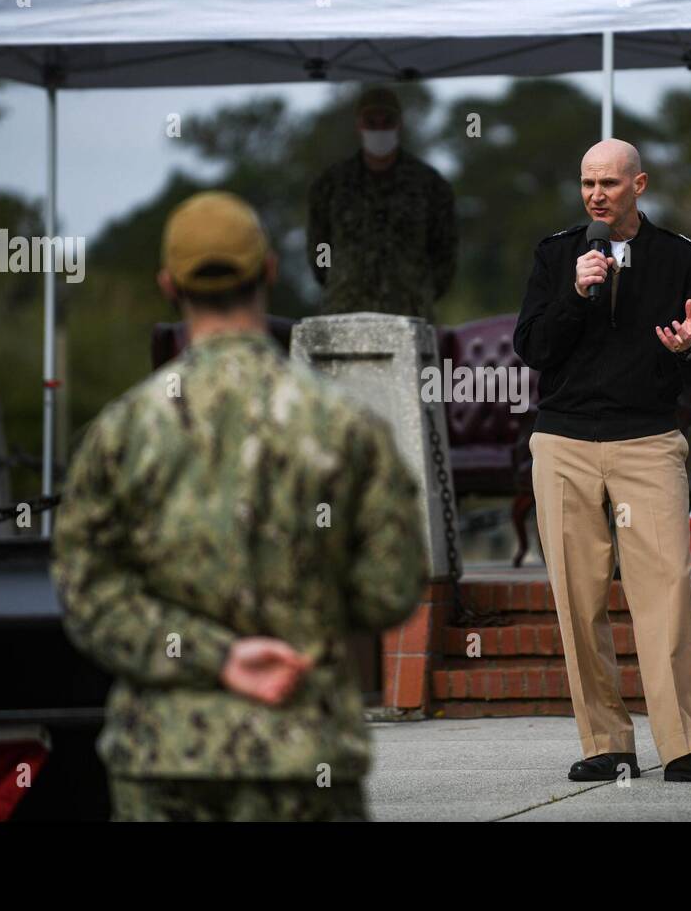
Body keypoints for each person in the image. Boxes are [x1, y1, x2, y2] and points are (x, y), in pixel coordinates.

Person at [52, 191, 426, 821]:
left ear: (169, 284)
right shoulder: (342, 425)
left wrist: (212, 656)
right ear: (270, 272)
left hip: (164, 761)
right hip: (303, 754)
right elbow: (392, 589)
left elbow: (87, 595)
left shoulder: (121, 431)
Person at [513, 139, 691, 784]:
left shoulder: (681, 258)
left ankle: (684, 745)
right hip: (564, 445)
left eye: (609, 183)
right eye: (587, 182)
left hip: (647, 443)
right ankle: (607, 743)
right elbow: (532, 346)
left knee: (666, 592)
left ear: (638, 185)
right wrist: (575, 294)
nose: (595, 195)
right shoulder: (557, 254)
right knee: (578, 600)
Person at [306, 85, 457, 321]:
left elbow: (445, 255)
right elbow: (319, 250)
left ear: (399, 124)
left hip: (410, 315)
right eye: (371, 122)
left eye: (387, 121)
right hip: (345, 313)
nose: (379, 128)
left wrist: (418, 291)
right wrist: (341, 281)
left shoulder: (430, 185)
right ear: (359, 125)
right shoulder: (330, 185)